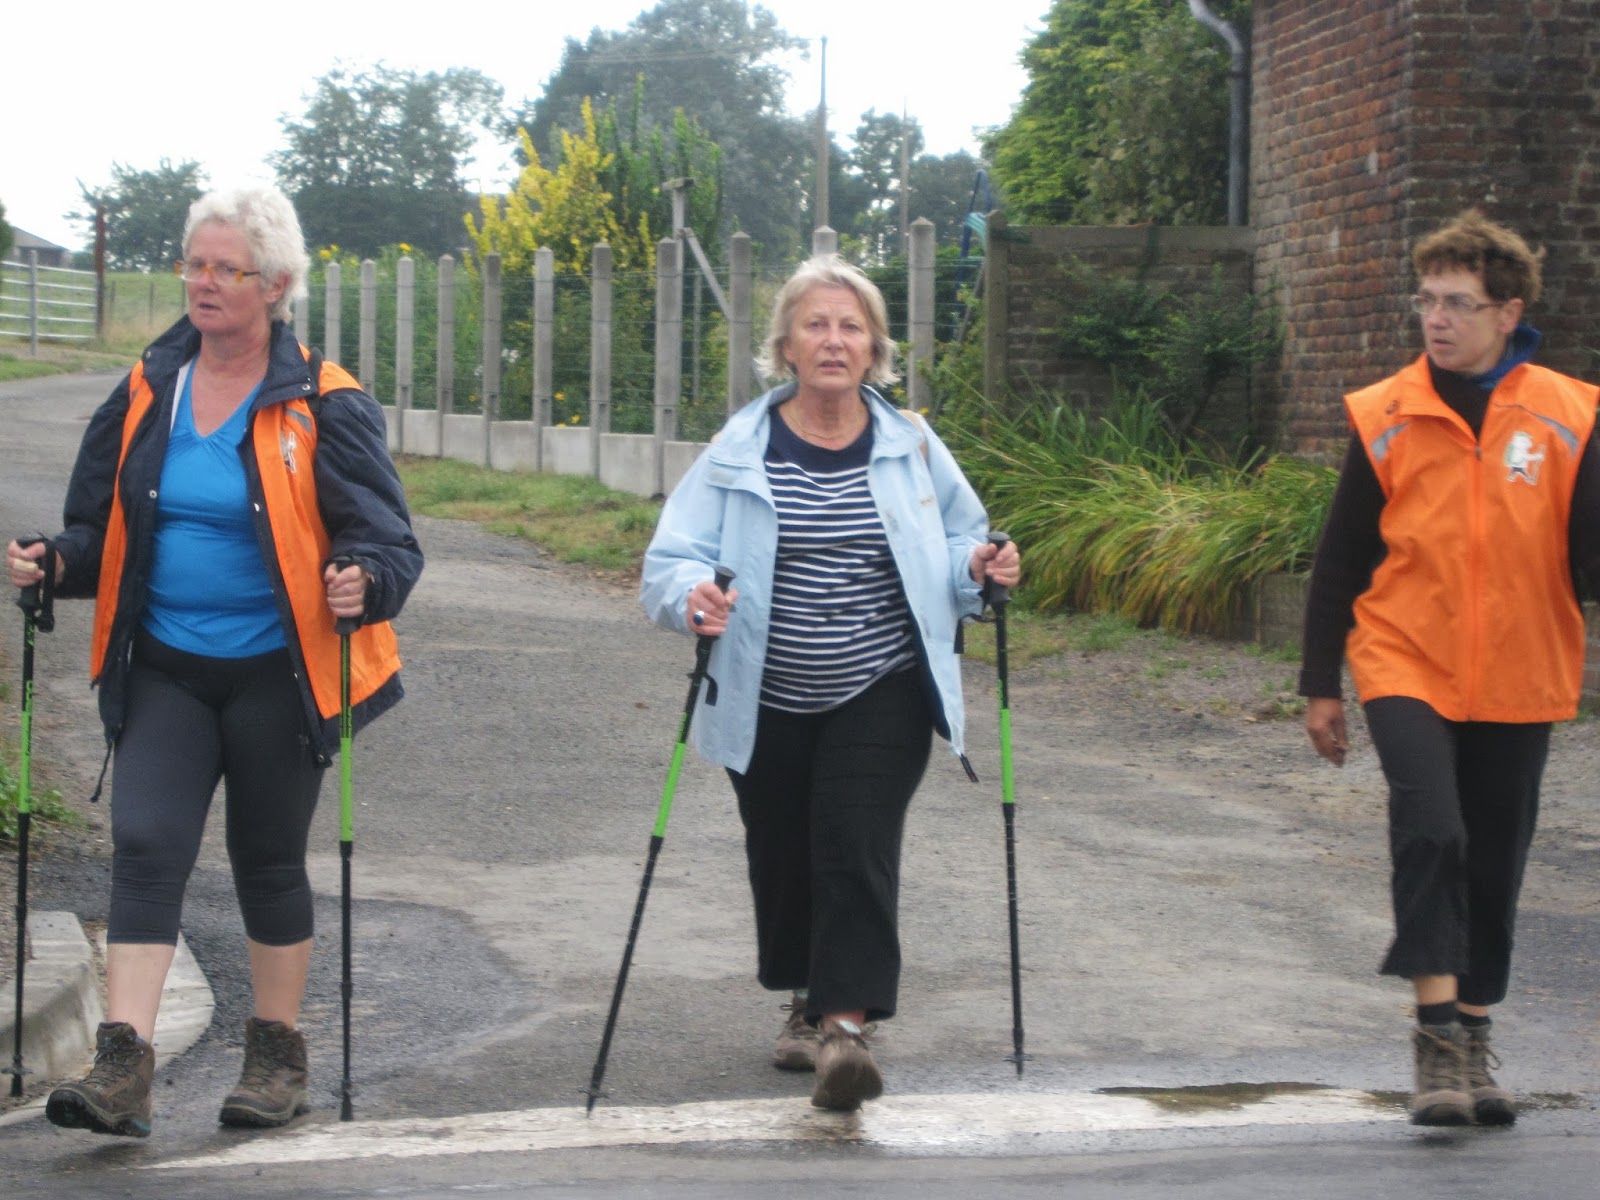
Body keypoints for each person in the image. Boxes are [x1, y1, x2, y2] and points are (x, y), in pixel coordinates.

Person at [6, 186, 422, 1138]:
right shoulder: (150, 386)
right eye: (194, 263)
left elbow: (389, 541)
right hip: (163, 666)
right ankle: (123, 1067)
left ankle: (275, 1056)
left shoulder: (326, 400)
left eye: (223, 268)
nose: (201, 282)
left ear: (274, 285)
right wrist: (54, 561)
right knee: (146, 846)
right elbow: (95, 526)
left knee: (265, 860)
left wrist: (365, 579)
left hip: (281, 671)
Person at [640, 254, 1020, 1111]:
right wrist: (689, 596)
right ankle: (806, 1000)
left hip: (880, 681)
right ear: (785, 344)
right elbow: (670, 561)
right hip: (762, 689)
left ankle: (845, 1032)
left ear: (876, 348)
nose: (834, 340)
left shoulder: (911, 444)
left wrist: (987, 568)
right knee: (783, 853)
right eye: (816, 324)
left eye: (852, 327)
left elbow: (963, 546)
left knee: (853, 841)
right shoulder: (738, 449)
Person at [1299, 209, 1600, 1127]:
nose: (1436, 318)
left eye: (1458, 303)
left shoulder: (1569, 414)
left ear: (1508, 312)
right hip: (1406, 659)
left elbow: (1589, 561)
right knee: (1435, 829)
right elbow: (1343, 557)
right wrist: (1320, 683)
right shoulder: (1386, 412)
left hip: (1522, 665)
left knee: (1498, 853)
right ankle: (1434, 1045)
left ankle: (1473, 1034)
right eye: (1426, 299)